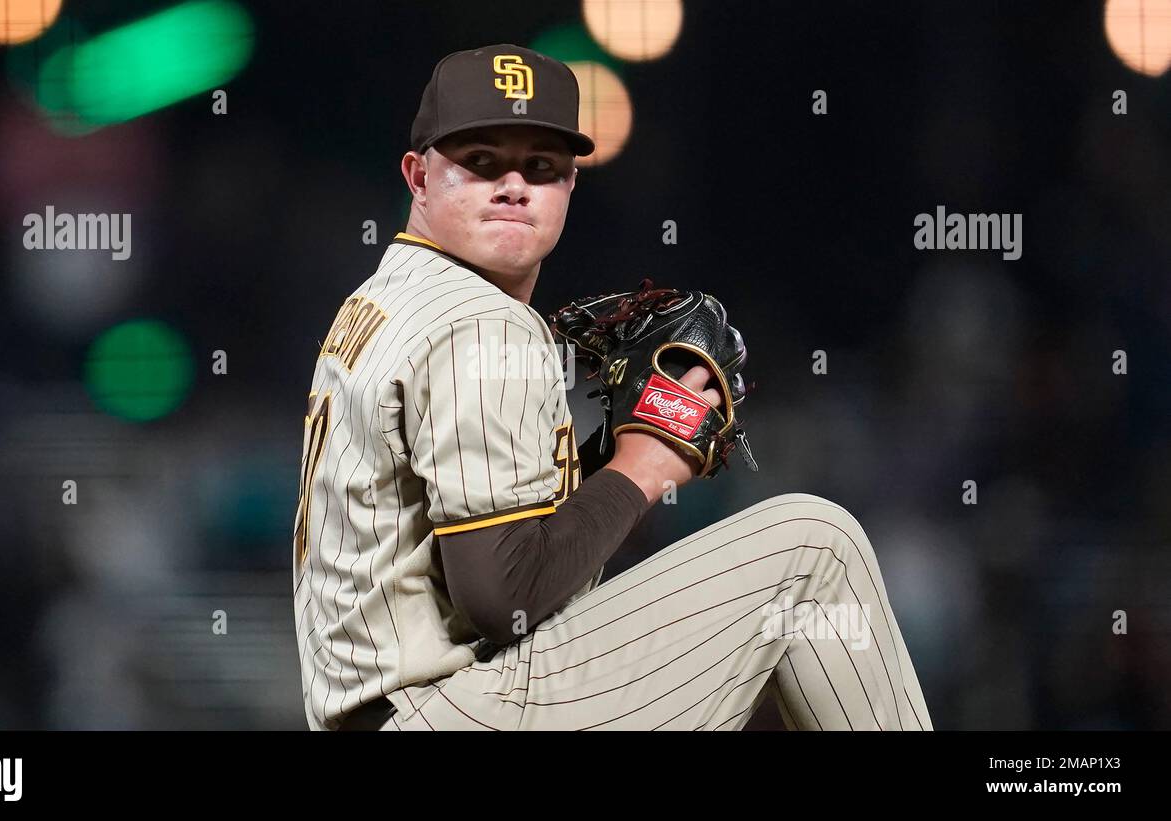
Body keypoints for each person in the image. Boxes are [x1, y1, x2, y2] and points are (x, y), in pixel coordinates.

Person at [293, 43, 933, 730]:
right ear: (418, 177)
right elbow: (499, 596)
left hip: (405, 709)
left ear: (571, 184)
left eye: (540, 167)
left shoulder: (386, 296)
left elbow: (475, 560)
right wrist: (642, 465)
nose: (513, 184)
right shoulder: (478, 321)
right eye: (481, 162)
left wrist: (598, 463)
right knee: (816, 545)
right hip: (453, 710)